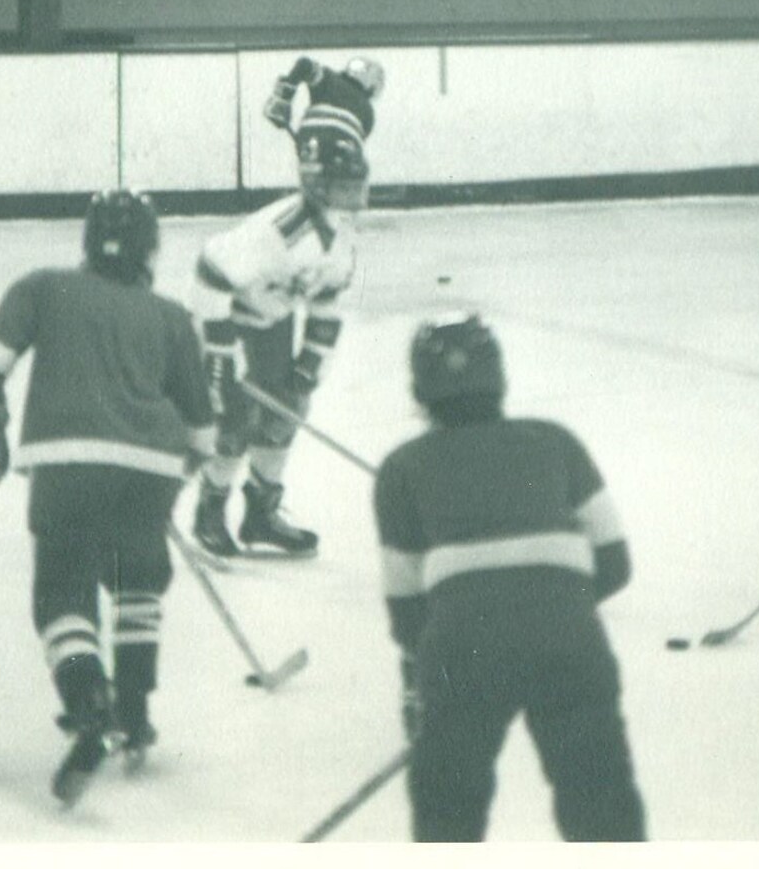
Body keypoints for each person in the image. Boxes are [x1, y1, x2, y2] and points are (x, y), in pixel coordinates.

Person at [0, 190, 216, 804]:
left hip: (67, 461)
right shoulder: (173, 317)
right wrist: (179, 466)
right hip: (151, 468)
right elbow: (203, 431)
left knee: (63, 591)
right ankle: (135, 710)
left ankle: (87, 699)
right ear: (151, 248)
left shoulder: (42, 287)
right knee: (138, 582)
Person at [372, 312, 647, 842]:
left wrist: (441, 670)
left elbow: (407, 610)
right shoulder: (555, 440)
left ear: (419, 390)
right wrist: (551, 603)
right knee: (601, 804)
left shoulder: (401, 467)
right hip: (568, 635)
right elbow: (613, 562)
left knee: (447, 809)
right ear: (499, 377)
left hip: (462, 647)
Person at [187, 55, 384, 558]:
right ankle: (210, 510)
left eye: (356, 187)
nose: (353, 197)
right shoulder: (283, 230)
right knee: (232, 418)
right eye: (344, 187)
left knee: (284, 412)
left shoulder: (341, 240)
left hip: (272, 321)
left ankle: (261, 513)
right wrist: (220, 353)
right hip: (228, 321)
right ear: (318, 184)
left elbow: (325, 302)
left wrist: (309, 367)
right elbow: (212, 271)